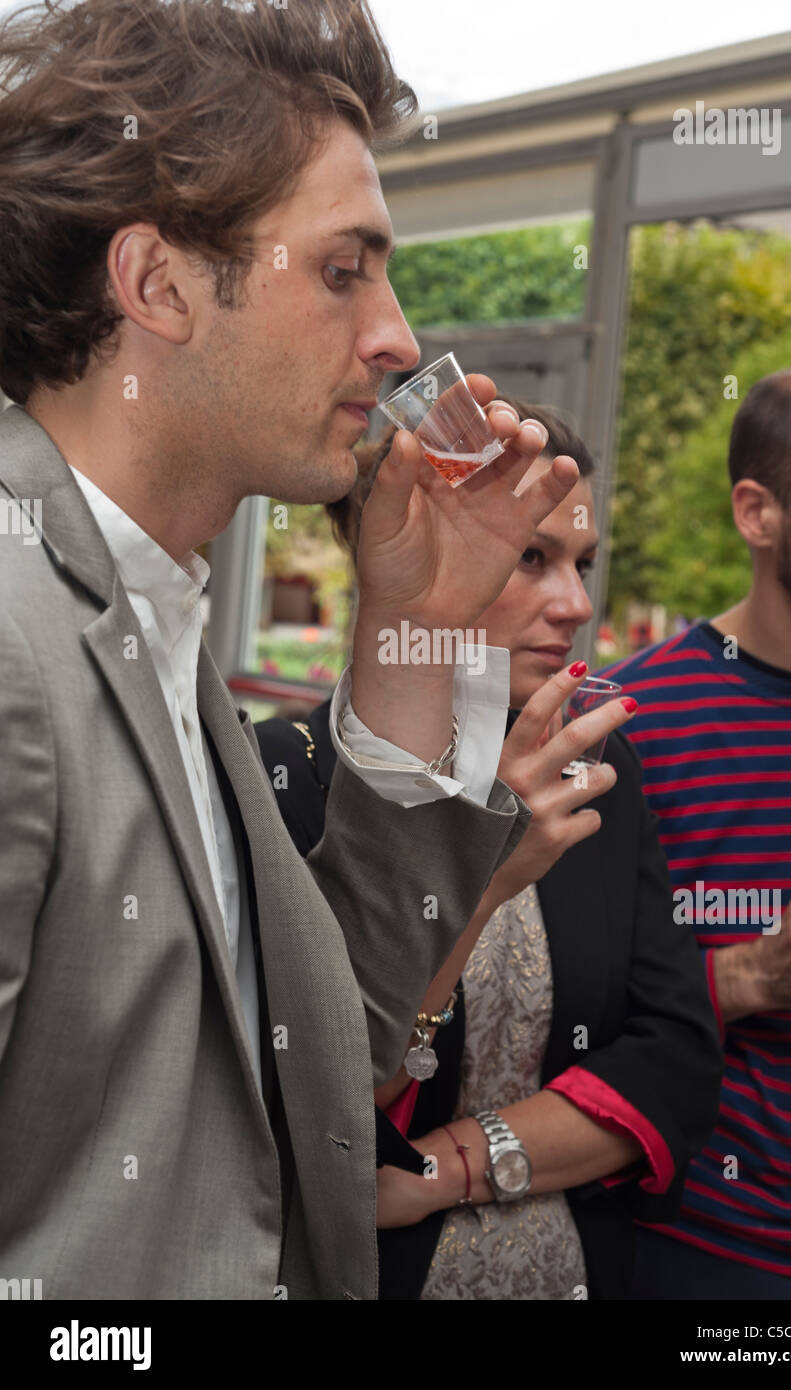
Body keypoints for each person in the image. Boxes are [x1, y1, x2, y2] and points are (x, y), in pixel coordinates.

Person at [0, 0, 582, 1300]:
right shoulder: (15, 635)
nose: (394, 332)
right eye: (342, 269)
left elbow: (327, 1064)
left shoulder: (144, 610)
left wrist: (414, 625)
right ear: (155, 284)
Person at [256, 400, 723, 1300]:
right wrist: (481, 885)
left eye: (583, 565)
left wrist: (452, 1167)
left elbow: (674, 1056)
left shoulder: (591, 762)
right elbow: (318, 1098)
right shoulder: (292, 775)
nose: (577, 606)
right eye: (530, 557)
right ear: (420, 553)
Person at [599, 363, 791, 1300]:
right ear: (757, 514)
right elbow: (559, 1025)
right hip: (708, 1255)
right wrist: (749, 974)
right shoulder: (632, 723)